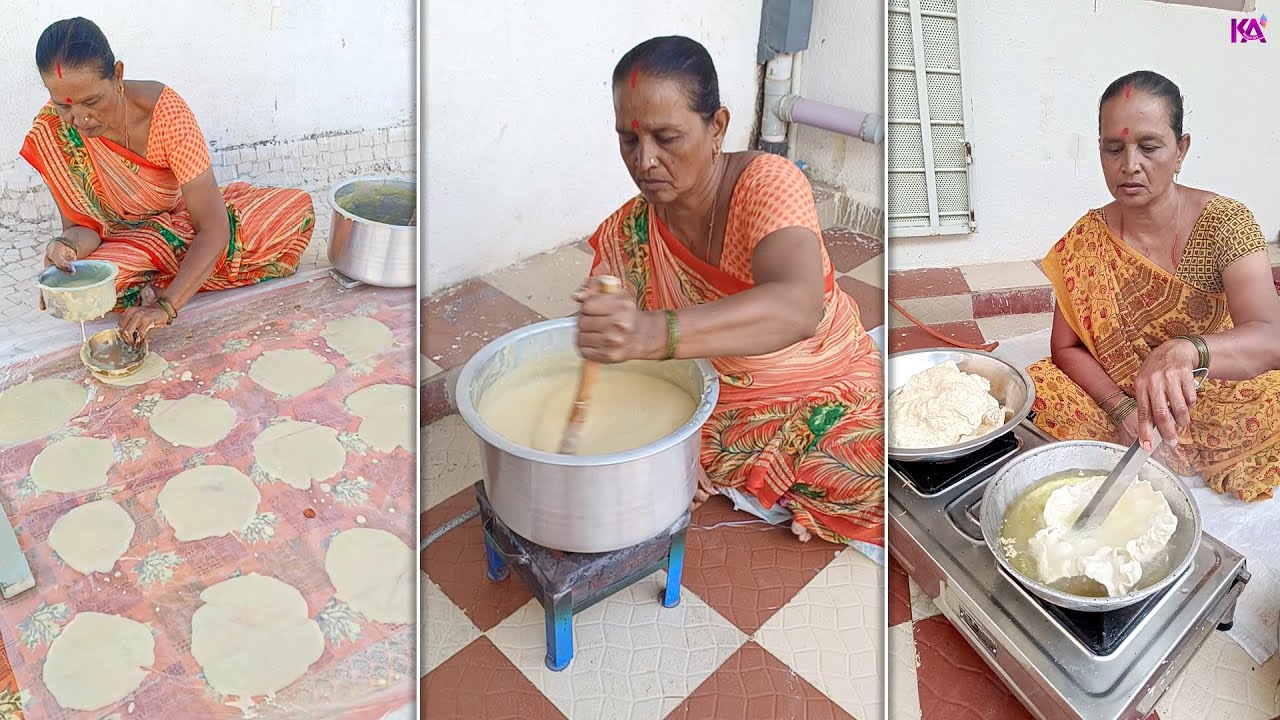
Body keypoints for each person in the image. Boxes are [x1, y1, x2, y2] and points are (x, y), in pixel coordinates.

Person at [573, 36, 884, 547]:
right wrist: (668, 439)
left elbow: (797, 305)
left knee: (881, 472)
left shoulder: (767, 185)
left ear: (717, 127)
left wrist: (654, 332)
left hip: (823, 379)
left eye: (666, 137)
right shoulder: (632, 231)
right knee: (616, 450)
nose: (644, 160)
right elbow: (610, 353)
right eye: (629, 140)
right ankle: (715, 457)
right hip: (717, 397)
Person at [1028, 70, 1280, 502]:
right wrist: (1121, 408)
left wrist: (1187, 351)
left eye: (1149, 147)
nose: (1129, 165)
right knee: (1040, 391)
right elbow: (1065, 348)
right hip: (1126, 396)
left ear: (1181, 150)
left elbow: (1271, 336)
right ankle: (1136, 440)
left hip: (1212, 387)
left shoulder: (1224, 224)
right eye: (1114, 149)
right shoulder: (1087, 239)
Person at [22, 17, 315, 345]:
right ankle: (182, 274)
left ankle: (166, 282)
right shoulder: (53, 131)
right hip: (127, 242)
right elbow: (84, 229)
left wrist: (166, 305)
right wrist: (65, 247)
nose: (79, 118)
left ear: (117, 75)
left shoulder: (167, 115)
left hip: (183, 223)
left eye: (91, 101)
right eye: (64, 105)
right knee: (93, 289)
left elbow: (214, 226)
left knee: (292, 212)